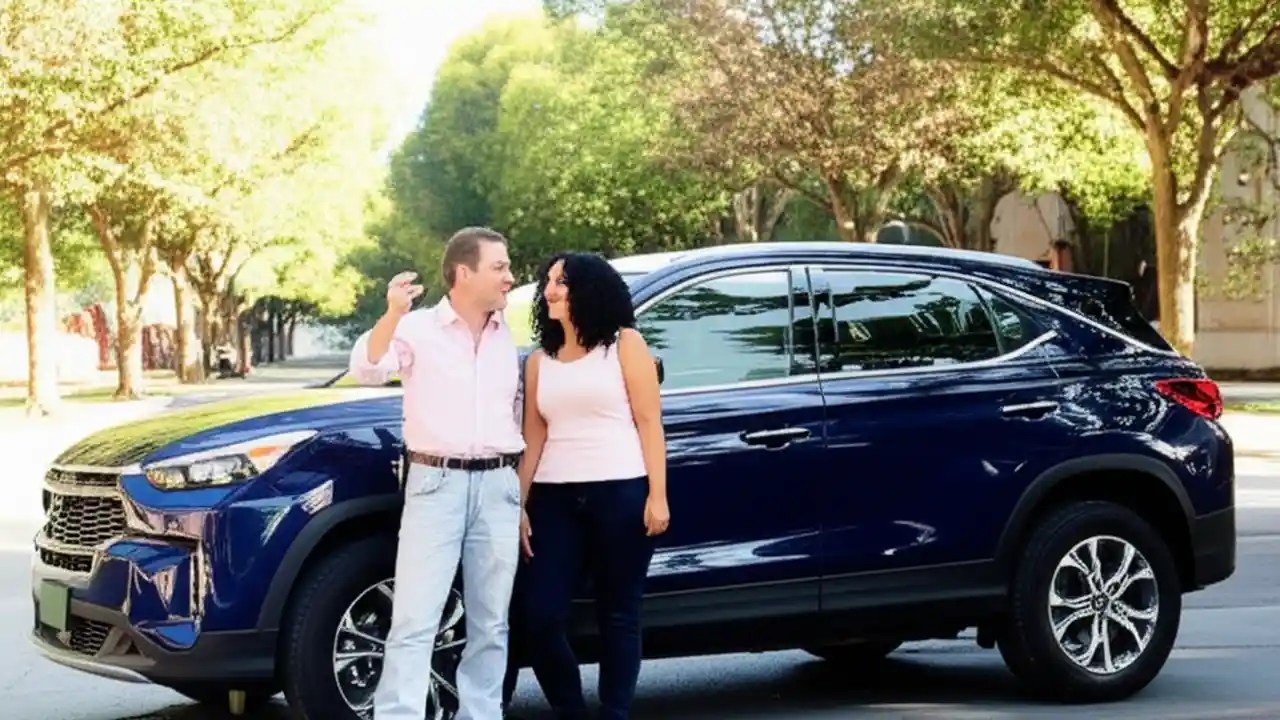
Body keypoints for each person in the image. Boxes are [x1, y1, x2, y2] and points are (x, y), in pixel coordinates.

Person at [348, 226, 523, 720]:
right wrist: (392, 313)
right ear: (463, 273)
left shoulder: (505, 333)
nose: (509, 278)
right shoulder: (417, 328)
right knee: (414, 620)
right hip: (436, 484)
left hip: (498, 487)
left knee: (491, 625)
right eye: (499, 267)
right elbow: (366, 366)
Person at [515, 251, 670, 720]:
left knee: (619, 615)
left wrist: (657, 495)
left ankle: (614, 712)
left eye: (562, 281)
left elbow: (649, 422)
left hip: (621, 492)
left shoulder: (625, 345)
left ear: (588, 289)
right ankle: (570, 710)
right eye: (548, 282)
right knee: (539, 617)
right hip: (554, 499)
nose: (550, 290)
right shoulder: (539, 361)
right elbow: (533, 436)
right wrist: (519, 505)